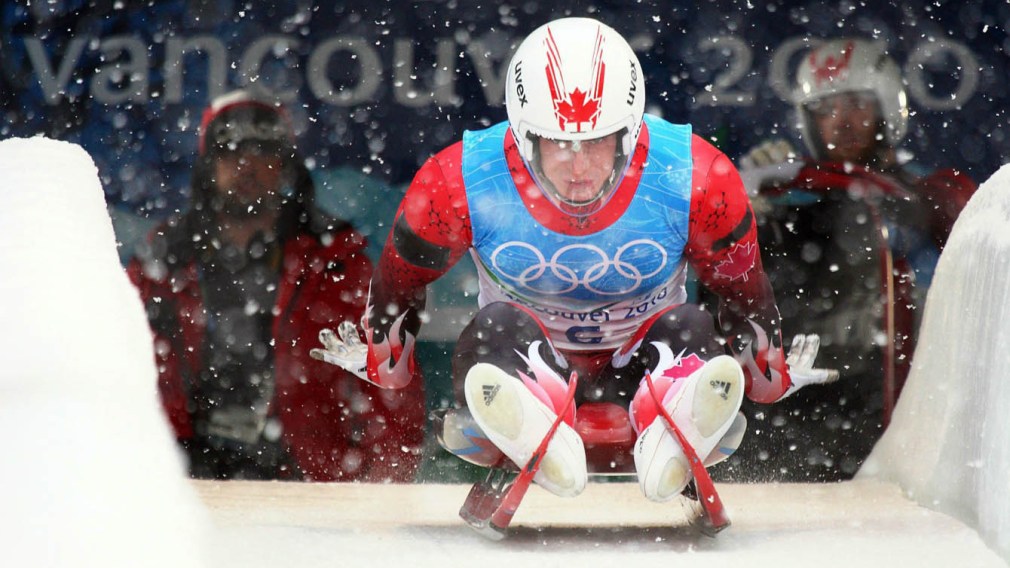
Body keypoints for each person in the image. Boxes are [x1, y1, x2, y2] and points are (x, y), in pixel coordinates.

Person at [312, 17, 834, 501]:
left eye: (597, 141)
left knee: (691, 325)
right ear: (522, 134)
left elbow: (742, 293)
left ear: (628, 133)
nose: (579, 165)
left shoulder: (698, 177)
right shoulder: (459, 182)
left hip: (648, 358)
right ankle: (541, 418)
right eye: (558, 142)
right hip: (521, 353)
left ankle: (670, 418)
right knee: (494, 328)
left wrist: (767, 377)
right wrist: (387, 365)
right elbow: (400, 282)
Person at [128, 89, 425, 482]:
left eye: (263, 150)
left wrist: (377, 491)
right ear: (208, 164)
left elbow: (391, 383)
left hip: (305, 483)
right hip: (176, 479)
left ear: (285, 164)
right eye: (231, 150)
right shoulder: (160, 264)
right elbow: (111, 375)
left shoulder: (337, 262)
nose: (247, 164)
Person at [733, 38, 977, 481]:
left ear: (888, 110)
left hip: (910, 419)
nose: (841, 122)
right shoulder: (789, 192)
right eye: (826, 110)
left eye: (855, 105)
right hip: (804, 430)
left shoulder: (929, 194)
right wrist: (742, 209)